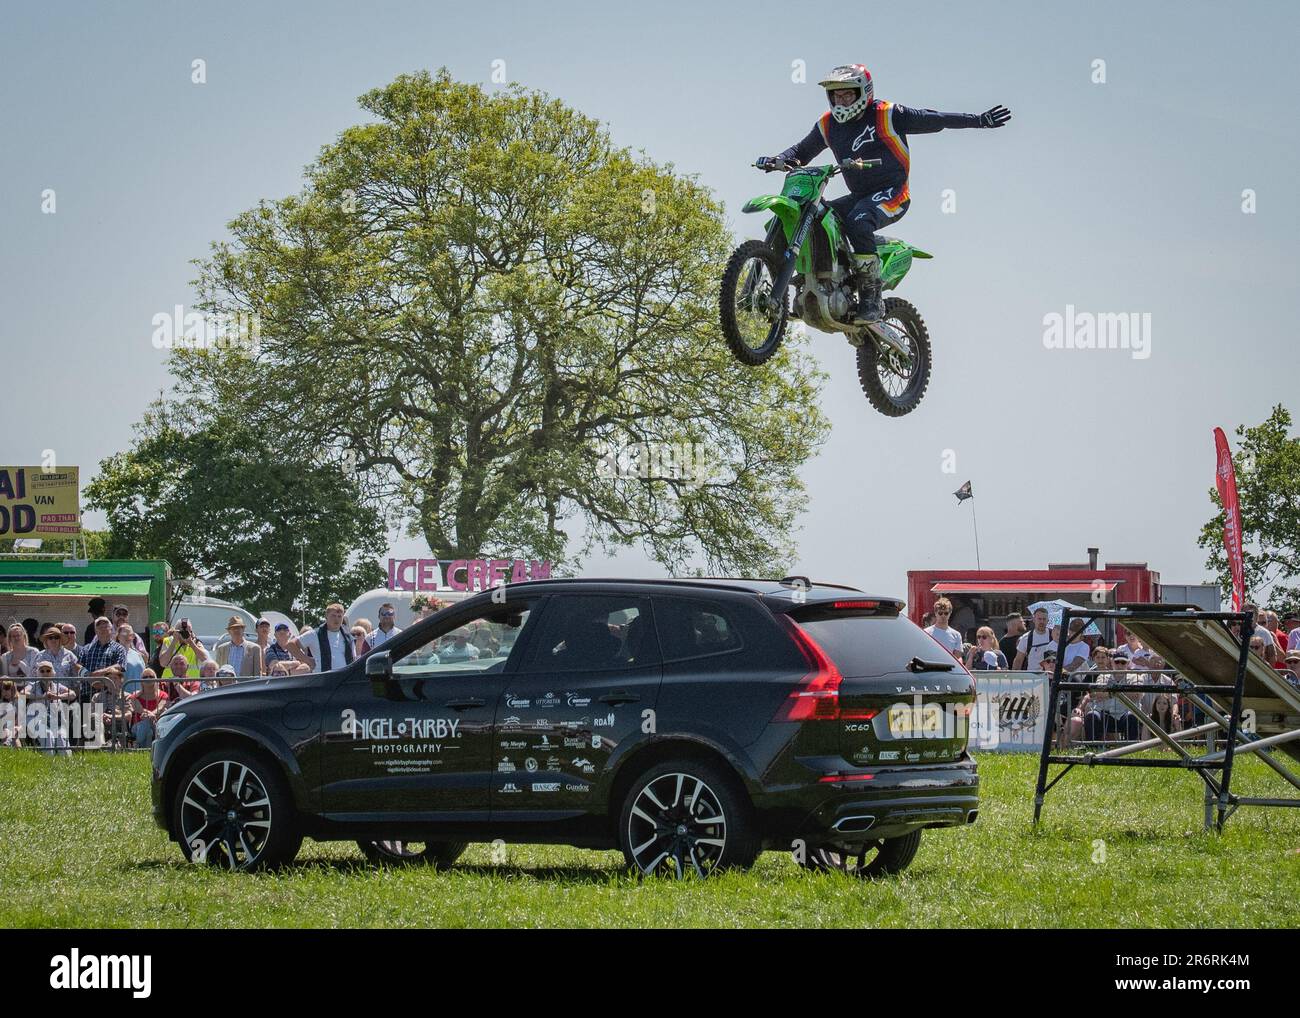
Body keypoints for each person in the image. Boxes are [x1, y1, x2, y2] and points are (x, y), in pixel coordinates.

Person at [759, 64, 1010, 324]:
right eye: (836, 95)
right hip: (859, 195)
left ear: (864, 92)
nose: (841, 101)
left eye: (847, 95)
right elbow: (802, 151)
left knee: (858, 221)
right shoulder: (828, 124)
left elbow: (935, 119)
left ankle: (871, 295)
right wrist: (779, 159)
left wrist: (979, 120)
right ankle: (815, 281)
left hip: (892, 192)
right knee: (819, 218)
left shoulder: (887, 114)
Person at [26, 661, 76, 755]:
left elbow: (73, 694)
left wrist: (57, 696)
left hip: (56, 719)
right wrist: (41, 697)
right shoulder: (33, 685)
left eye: (48, 671)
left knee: (61, 736)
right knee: (47, 734)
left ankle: (67, 765)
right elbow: (22, 693)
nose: (45, 673)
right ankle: (48, 763)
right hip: (37, 719)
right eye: (42, 671)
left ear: (53, 673)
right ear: (37, 673)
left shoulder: (57, 686)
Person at [290, 603, 353, 673]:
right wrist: (307, 660)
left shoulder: (348, 635)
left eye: (339, 616)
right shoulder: (315, 634)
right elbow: (291, 645)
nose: (336, 619)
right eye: (333, 616)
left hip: (345, 678)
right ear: (326, 616)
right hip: (323, 679)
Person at [127, 677, 169, 749]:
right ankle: (143, 749)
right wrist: (150, 716)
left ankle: (142, 749)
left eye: (151, 676)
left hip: (157, 725)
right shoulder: (135, 695)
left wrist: (151, 714)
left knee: (149, 731)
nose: (148, 678)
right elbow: (139, 709)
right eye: (145, 677)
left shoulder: (163, 694)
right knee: (145, 724)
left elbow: (161, 707)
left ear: (155, 679)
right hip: (138, 726)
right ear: (141, 680)